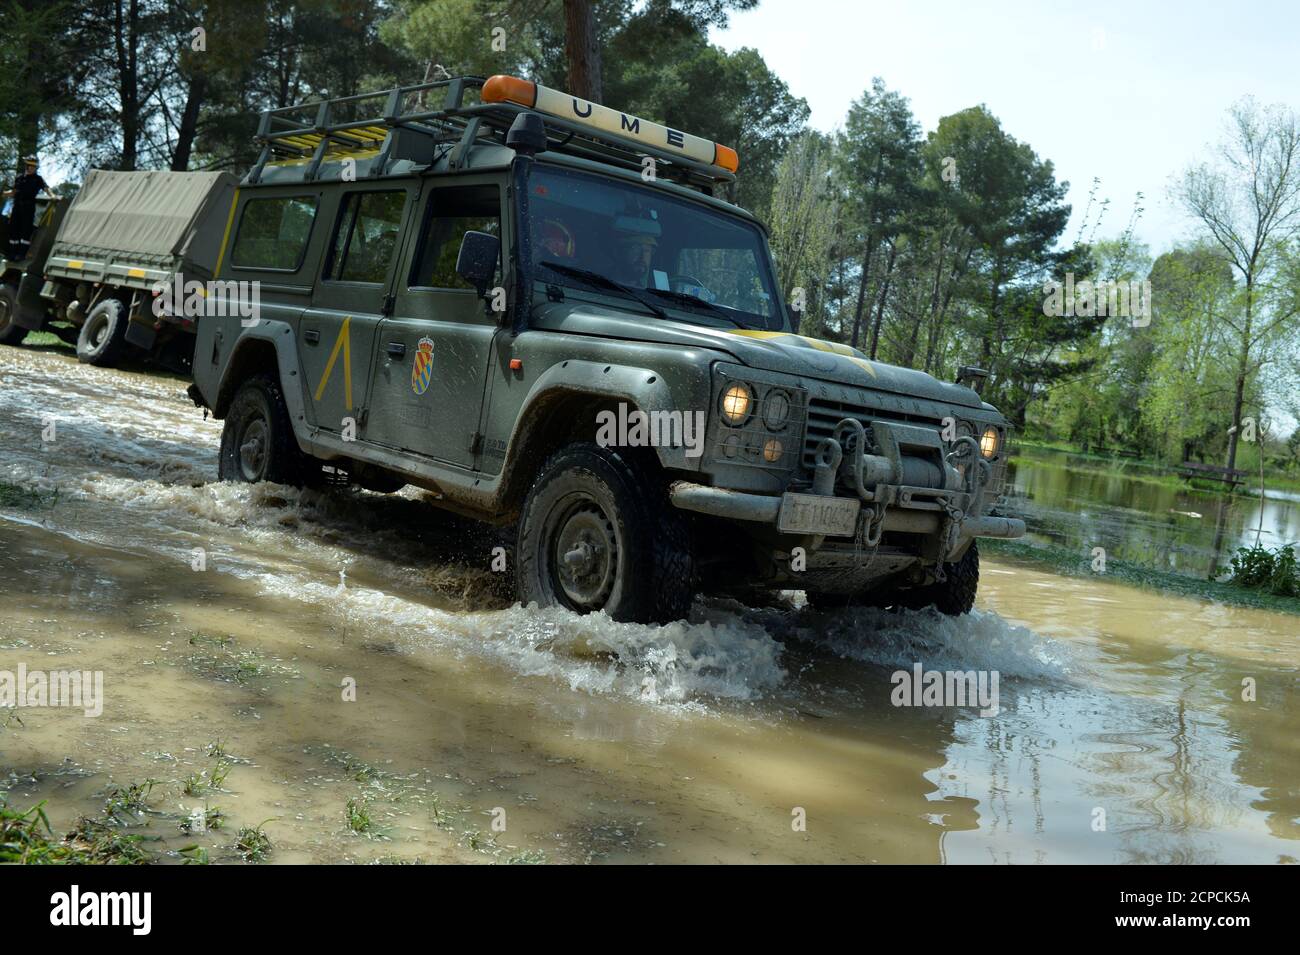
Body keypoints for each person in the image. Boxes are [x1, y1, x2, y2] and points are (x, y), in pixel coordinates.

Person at [4, 156, 52, 258]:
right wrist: (4, 193)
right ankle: (12, 253)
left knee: (26, 230)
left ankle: (21, 254)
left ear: (36, 168)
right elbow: (14, 192)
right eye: (30, 165)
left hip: (28, 207)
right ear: (26, 166)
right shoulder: (19, 177)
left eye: (34, 166)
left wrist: (53, 196)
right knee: (14, 230)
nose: (31, 168)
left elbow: (46, 189)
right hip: (17, 207)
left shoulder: (38, 179)